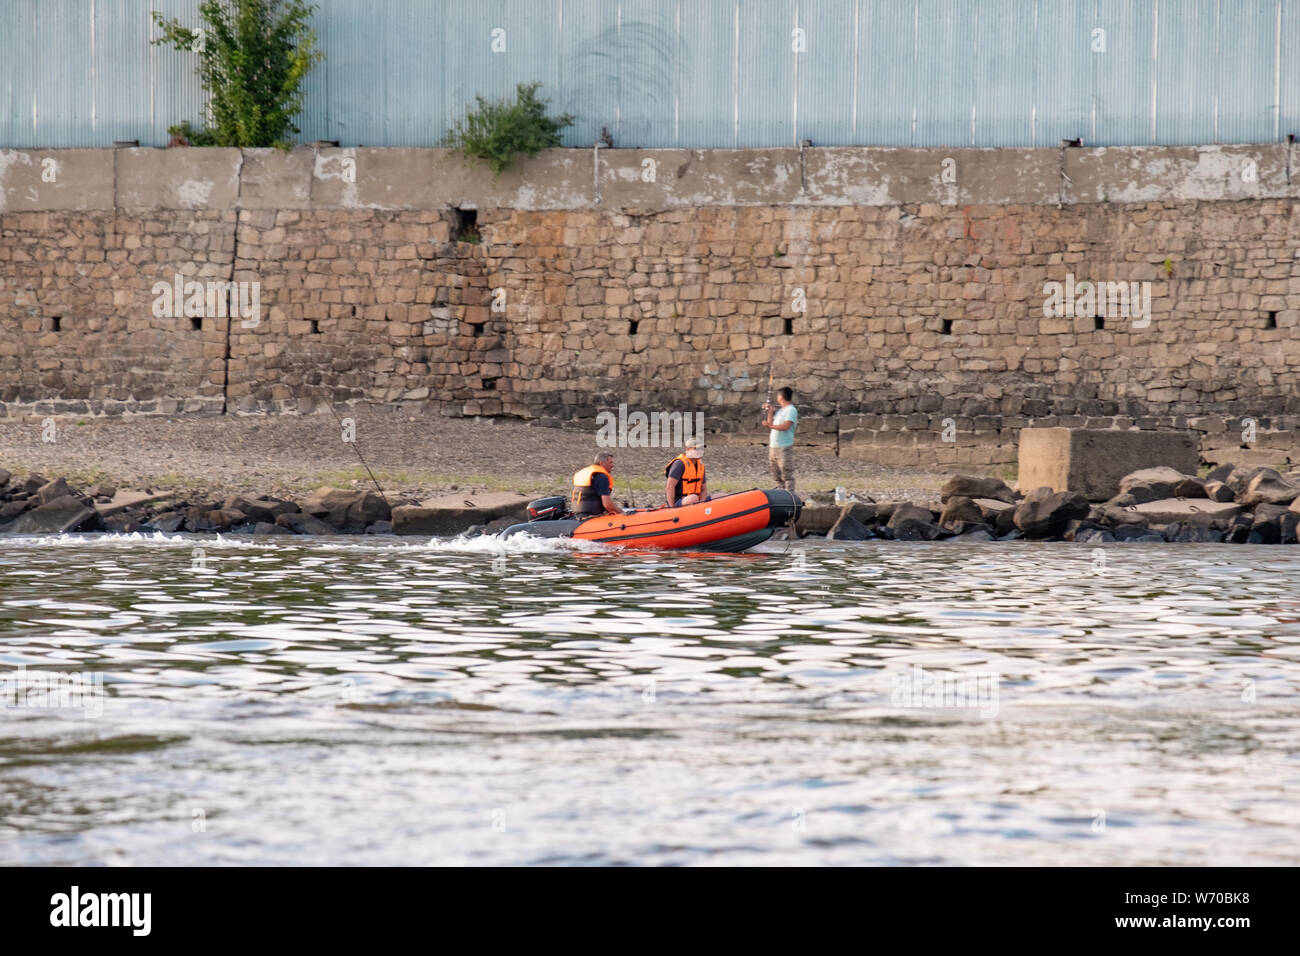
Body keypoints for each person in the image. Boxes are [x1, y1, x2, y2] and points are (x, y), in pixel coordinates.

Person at [762, 386, 798, 493]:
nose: (777, 397)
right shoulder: (781, 410)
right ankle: (782, 495)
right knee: (776, 475)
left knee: (787, 474)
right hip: (774, 447)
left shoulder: (791, 410)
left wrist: (770, 426)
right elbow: (771, 423)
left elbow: (785, 426)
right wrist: (770, 412)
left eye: (778, 395)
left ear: (781, 397)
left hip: (784, 448)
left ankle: (790, 496)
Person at [572, 452, 624, 516]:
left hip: (579, 515)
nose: (612, 465)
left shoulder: (585, 474)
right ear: (602, 463)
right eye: (610, 462)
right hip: (592, 517)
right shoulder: (601, 477)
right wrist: (620, 512)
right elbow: (607, 505)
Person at [664, 437, 709, 507]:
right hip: (680, 501)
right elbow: (670, 487)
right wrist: (671, 508)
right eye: (696, 449)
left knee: (721, 496)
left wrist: (701, 504)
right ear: (687, 449)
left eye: (701, 449)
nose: (700, 451)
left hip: (697, 500)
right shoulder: (680, 464)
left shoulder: (700, 465)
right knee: (693, 498)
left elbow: (704, 490)